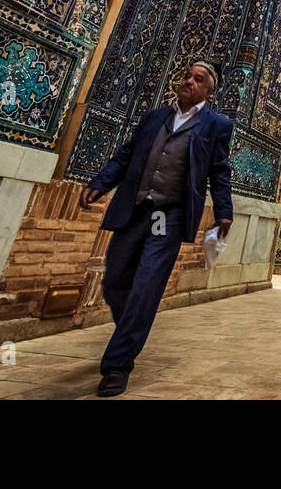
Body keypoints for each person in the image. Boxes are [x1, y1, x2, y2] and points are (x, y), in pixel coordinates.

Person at [80, 61, 234, 396]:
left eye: (198, 79)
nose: (189, 81)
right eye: (187, 76)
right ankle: (132, 330)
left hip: (170, 215)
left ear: (210, 90)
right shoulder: (154, 118)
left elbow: (219, 171)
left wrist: (224, 211)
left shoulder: (217, 125)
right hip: (136, 210)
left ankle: (117, 366)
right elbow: (126, 155)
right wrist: (101, 182)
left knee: (146, 286)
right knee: (116, 281)